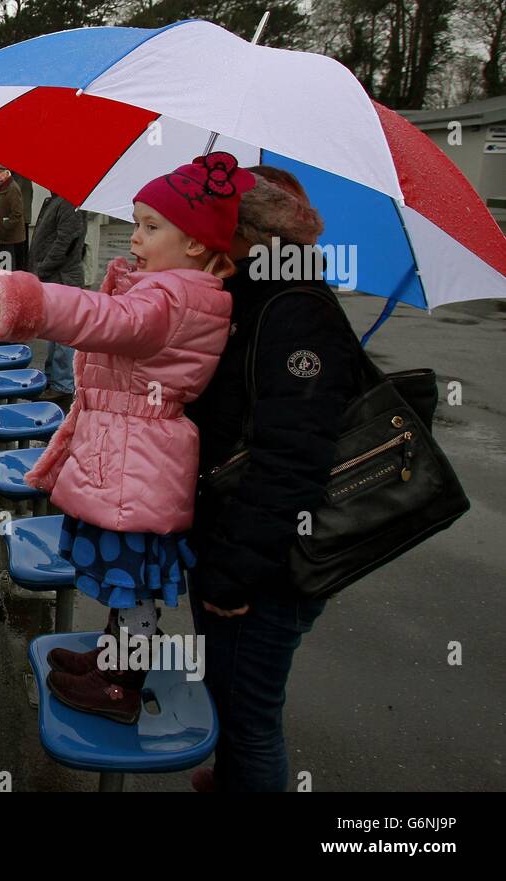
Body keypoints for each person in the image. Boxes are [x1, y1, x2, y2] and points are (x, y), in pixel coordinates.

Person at [0, 153, 256, 724]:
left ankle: (121, 686)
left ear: (196, 244)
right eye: (137, 224)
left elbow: (109, 321)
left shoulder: (173, 297)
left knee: (135, 584)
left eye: (151, 228)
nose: (135, 239)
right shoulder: (174, 288)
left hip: (138, 462)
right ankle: (111, 662)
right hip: (132, 454)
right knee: (129, 584)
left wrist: (32, 300)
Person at [183, 166, 354, 793]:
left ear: (243, 232)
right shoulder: (253, 296)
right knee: (227, 697)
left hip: (267, 567)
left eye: (210, 223)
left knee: (249, 716)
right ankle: (233, 779)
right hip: (235, 545)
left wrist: (236, 573)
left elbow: (291, 461)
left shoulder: (294, 314)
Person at [28, 193, 88, 407]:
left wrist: (43, 267)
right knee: (54, 330)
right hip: (55, 275)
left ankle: (62, 385)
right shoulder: (56, 200)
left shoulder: (68, 202)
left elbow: (66, 242)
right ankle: (53, 376)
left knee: (63, 334)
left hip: (62, 277)